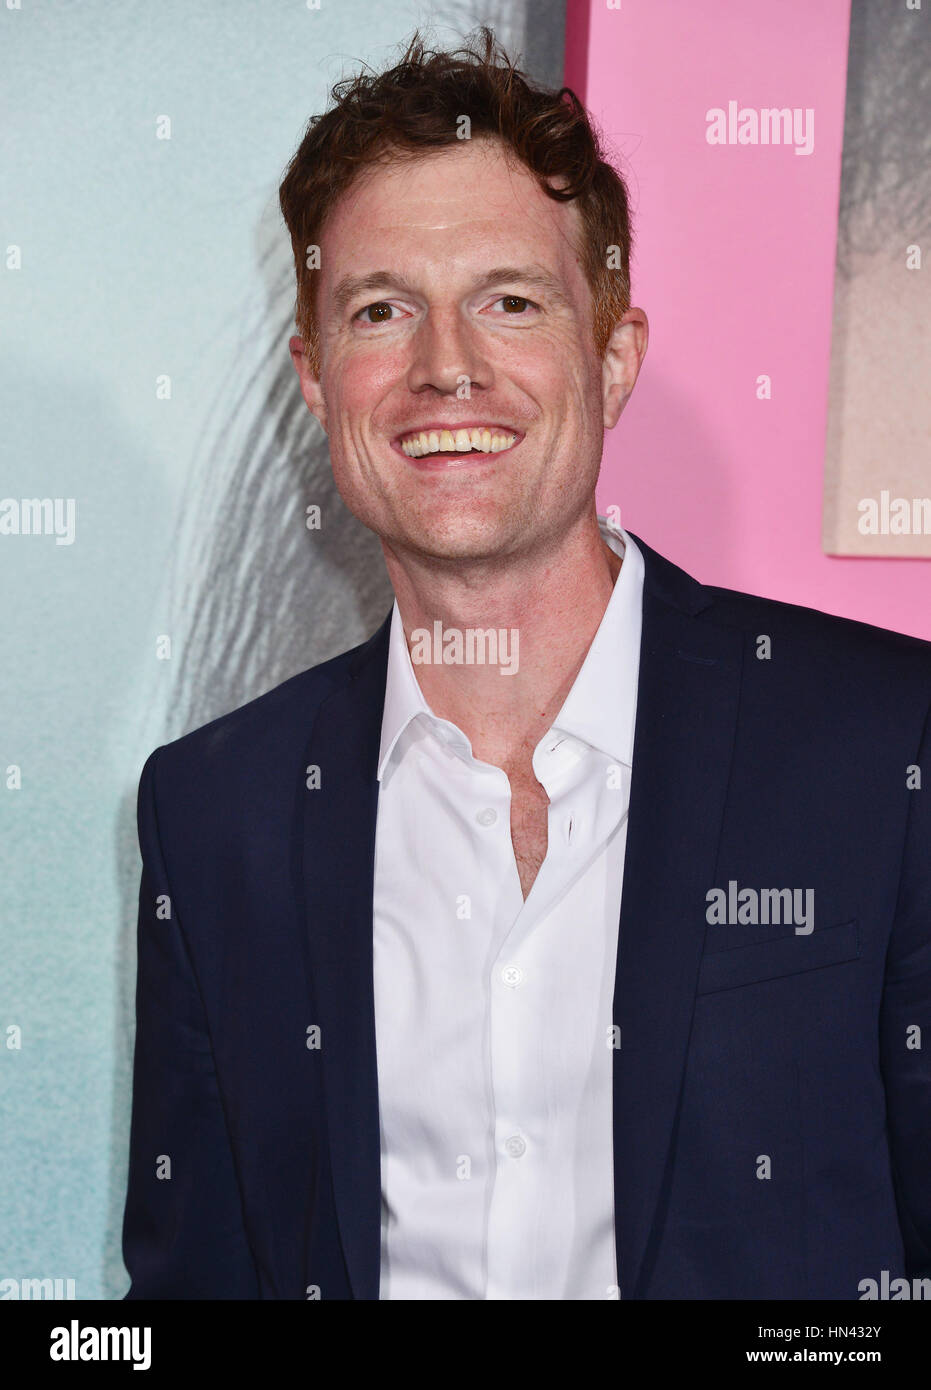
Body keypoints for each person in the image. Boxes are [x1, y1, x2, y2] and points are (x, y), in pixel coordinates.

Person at [122, 27, 931, 1300]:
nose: (447, 364)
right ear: (317, 379)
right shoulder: (212, 810)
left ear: (611, 360)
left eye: (509, 300)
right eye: (381, 310)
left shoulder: (885, 745)